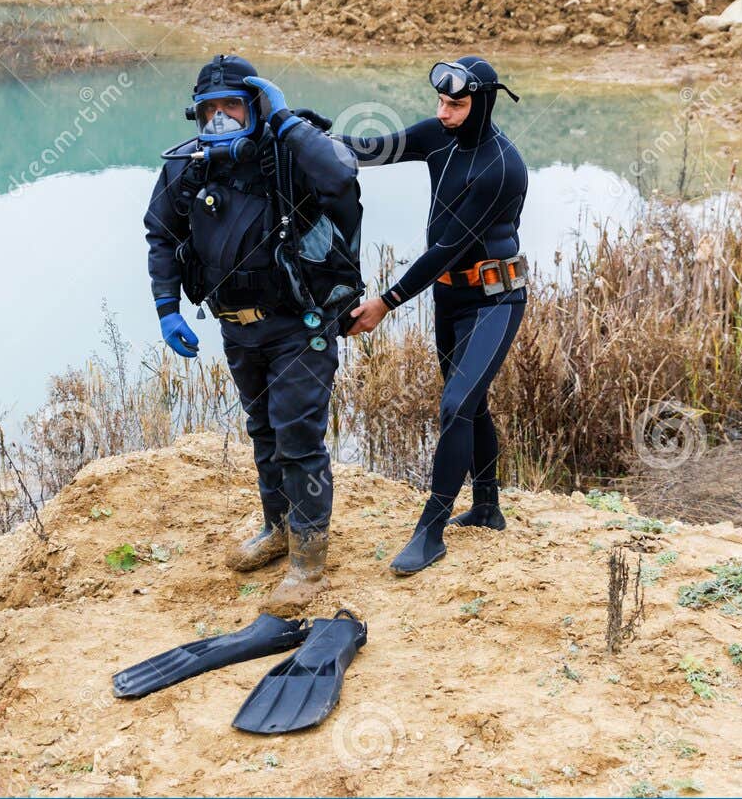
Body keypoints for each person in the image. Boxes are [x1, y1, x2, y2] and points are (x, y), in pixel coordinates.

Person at [145, 55, 362, 613]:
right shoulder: (187, 168)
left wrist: (284, 120)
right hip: (237, 328)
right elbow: (160, 236)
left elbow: (342, 178)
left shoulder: (290, 153)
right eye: (209, 112)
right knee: (263, 431)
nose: (219, 122)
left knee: (298, 437)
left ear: (255, 108)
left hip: (299, 327)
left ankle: (309, 564)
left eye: (232, 109)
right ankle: (279, 528)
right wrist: (167, 307)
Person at [342, 56, 528, 576]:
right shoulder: (435, 134)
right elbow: (367, 151)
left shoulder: (501, 167)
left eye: (457, 104)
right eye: (441, 102)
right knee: (470, 402)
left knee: (455, 405)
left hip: (495, 300)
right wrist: (303, 134)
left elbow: (449, 247)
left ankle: (432, 528)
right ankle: (487, 507)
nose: (444, 112)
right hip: (449, 298)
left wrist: (386, 302)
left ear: (483, 102)